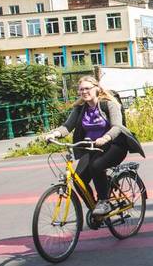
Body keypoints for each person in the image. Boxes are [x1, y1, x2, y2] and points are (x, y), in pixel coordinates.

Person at [44, 76, 144, 217]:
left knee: (96, 166)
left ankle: (104, 201)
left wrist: (106, 137)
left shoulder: (108, 104)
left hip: (115, 144)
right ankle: (94, 208)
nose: (84, 92)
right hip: (91, 147)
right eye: (81, 89)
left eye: (87, 88)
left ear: (97, 89)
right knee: (79, 179)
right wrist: (54, 134)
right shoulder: (80, 108)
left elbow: (117, 126)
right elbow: (67, 126)